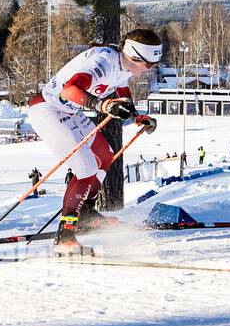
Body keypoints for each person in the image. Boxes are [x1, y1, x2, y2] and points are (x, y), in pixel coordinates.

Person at [26, 28, 161, 253]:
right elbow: (69, 90)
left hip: (70, 112)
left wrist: (137, 116)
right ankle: (65, 234)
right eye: (149, 65)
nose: (150, 70)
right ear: (135, 56)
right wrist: (104, 105)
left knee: (104, 156)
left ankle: (86, 213)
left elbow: (119, 86)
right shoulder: (103, 62)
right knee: (86, 167)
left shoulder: (123, 64)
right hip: (48, 109)